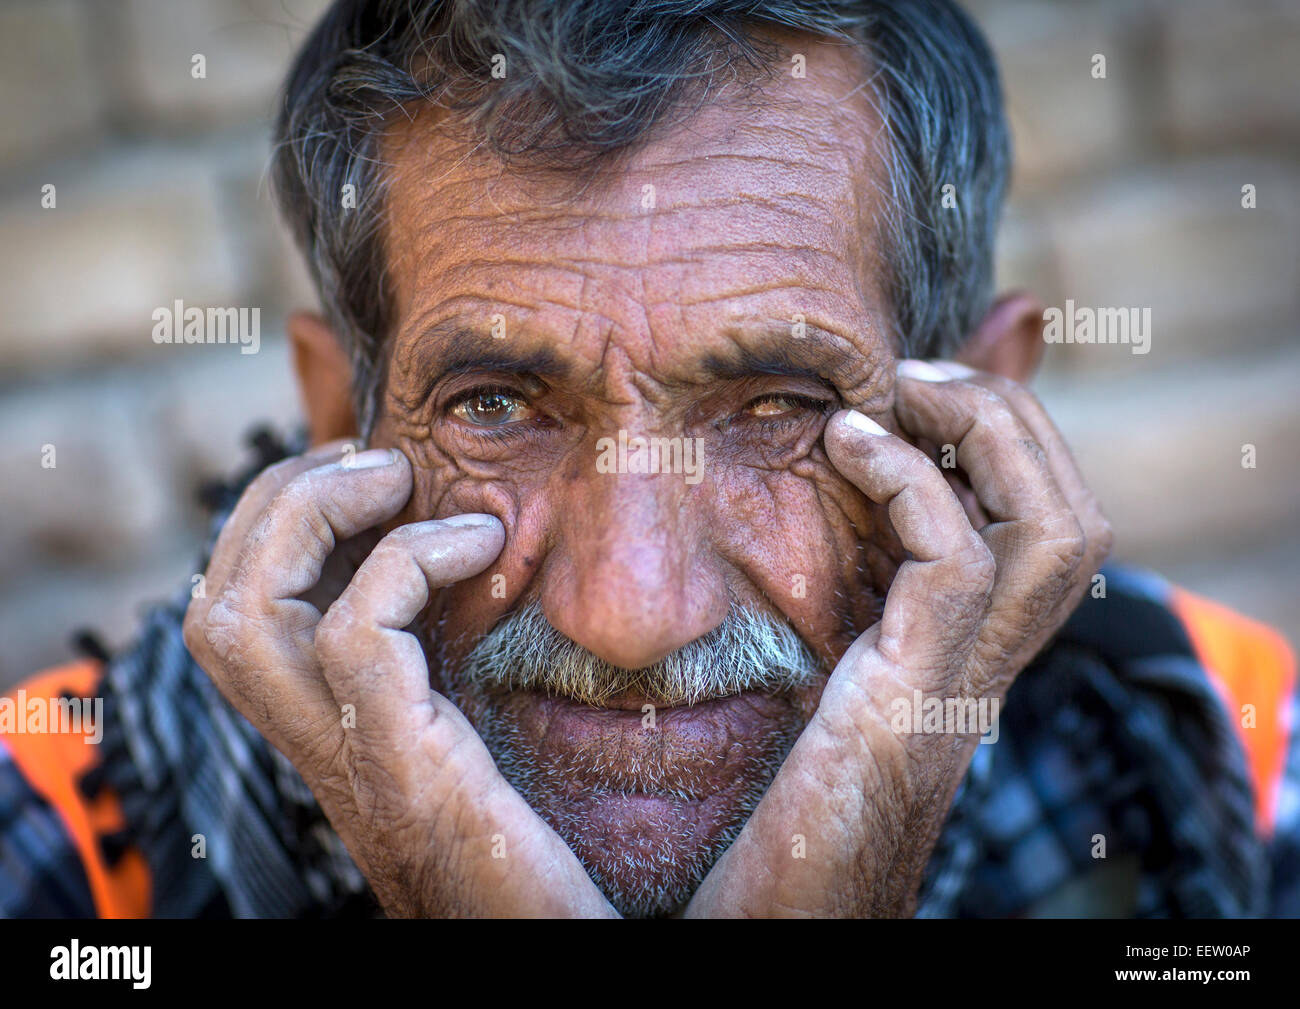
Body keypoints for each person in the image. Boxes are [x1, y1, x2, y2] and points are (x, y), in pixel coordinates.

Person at [2, 0, 1295, 918]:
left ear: (981, 422)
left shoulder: (1229, 757)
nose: (630, 615)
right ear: (342, 411)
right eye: (497, 405)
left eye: (777, 406)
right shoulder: (60, 834)